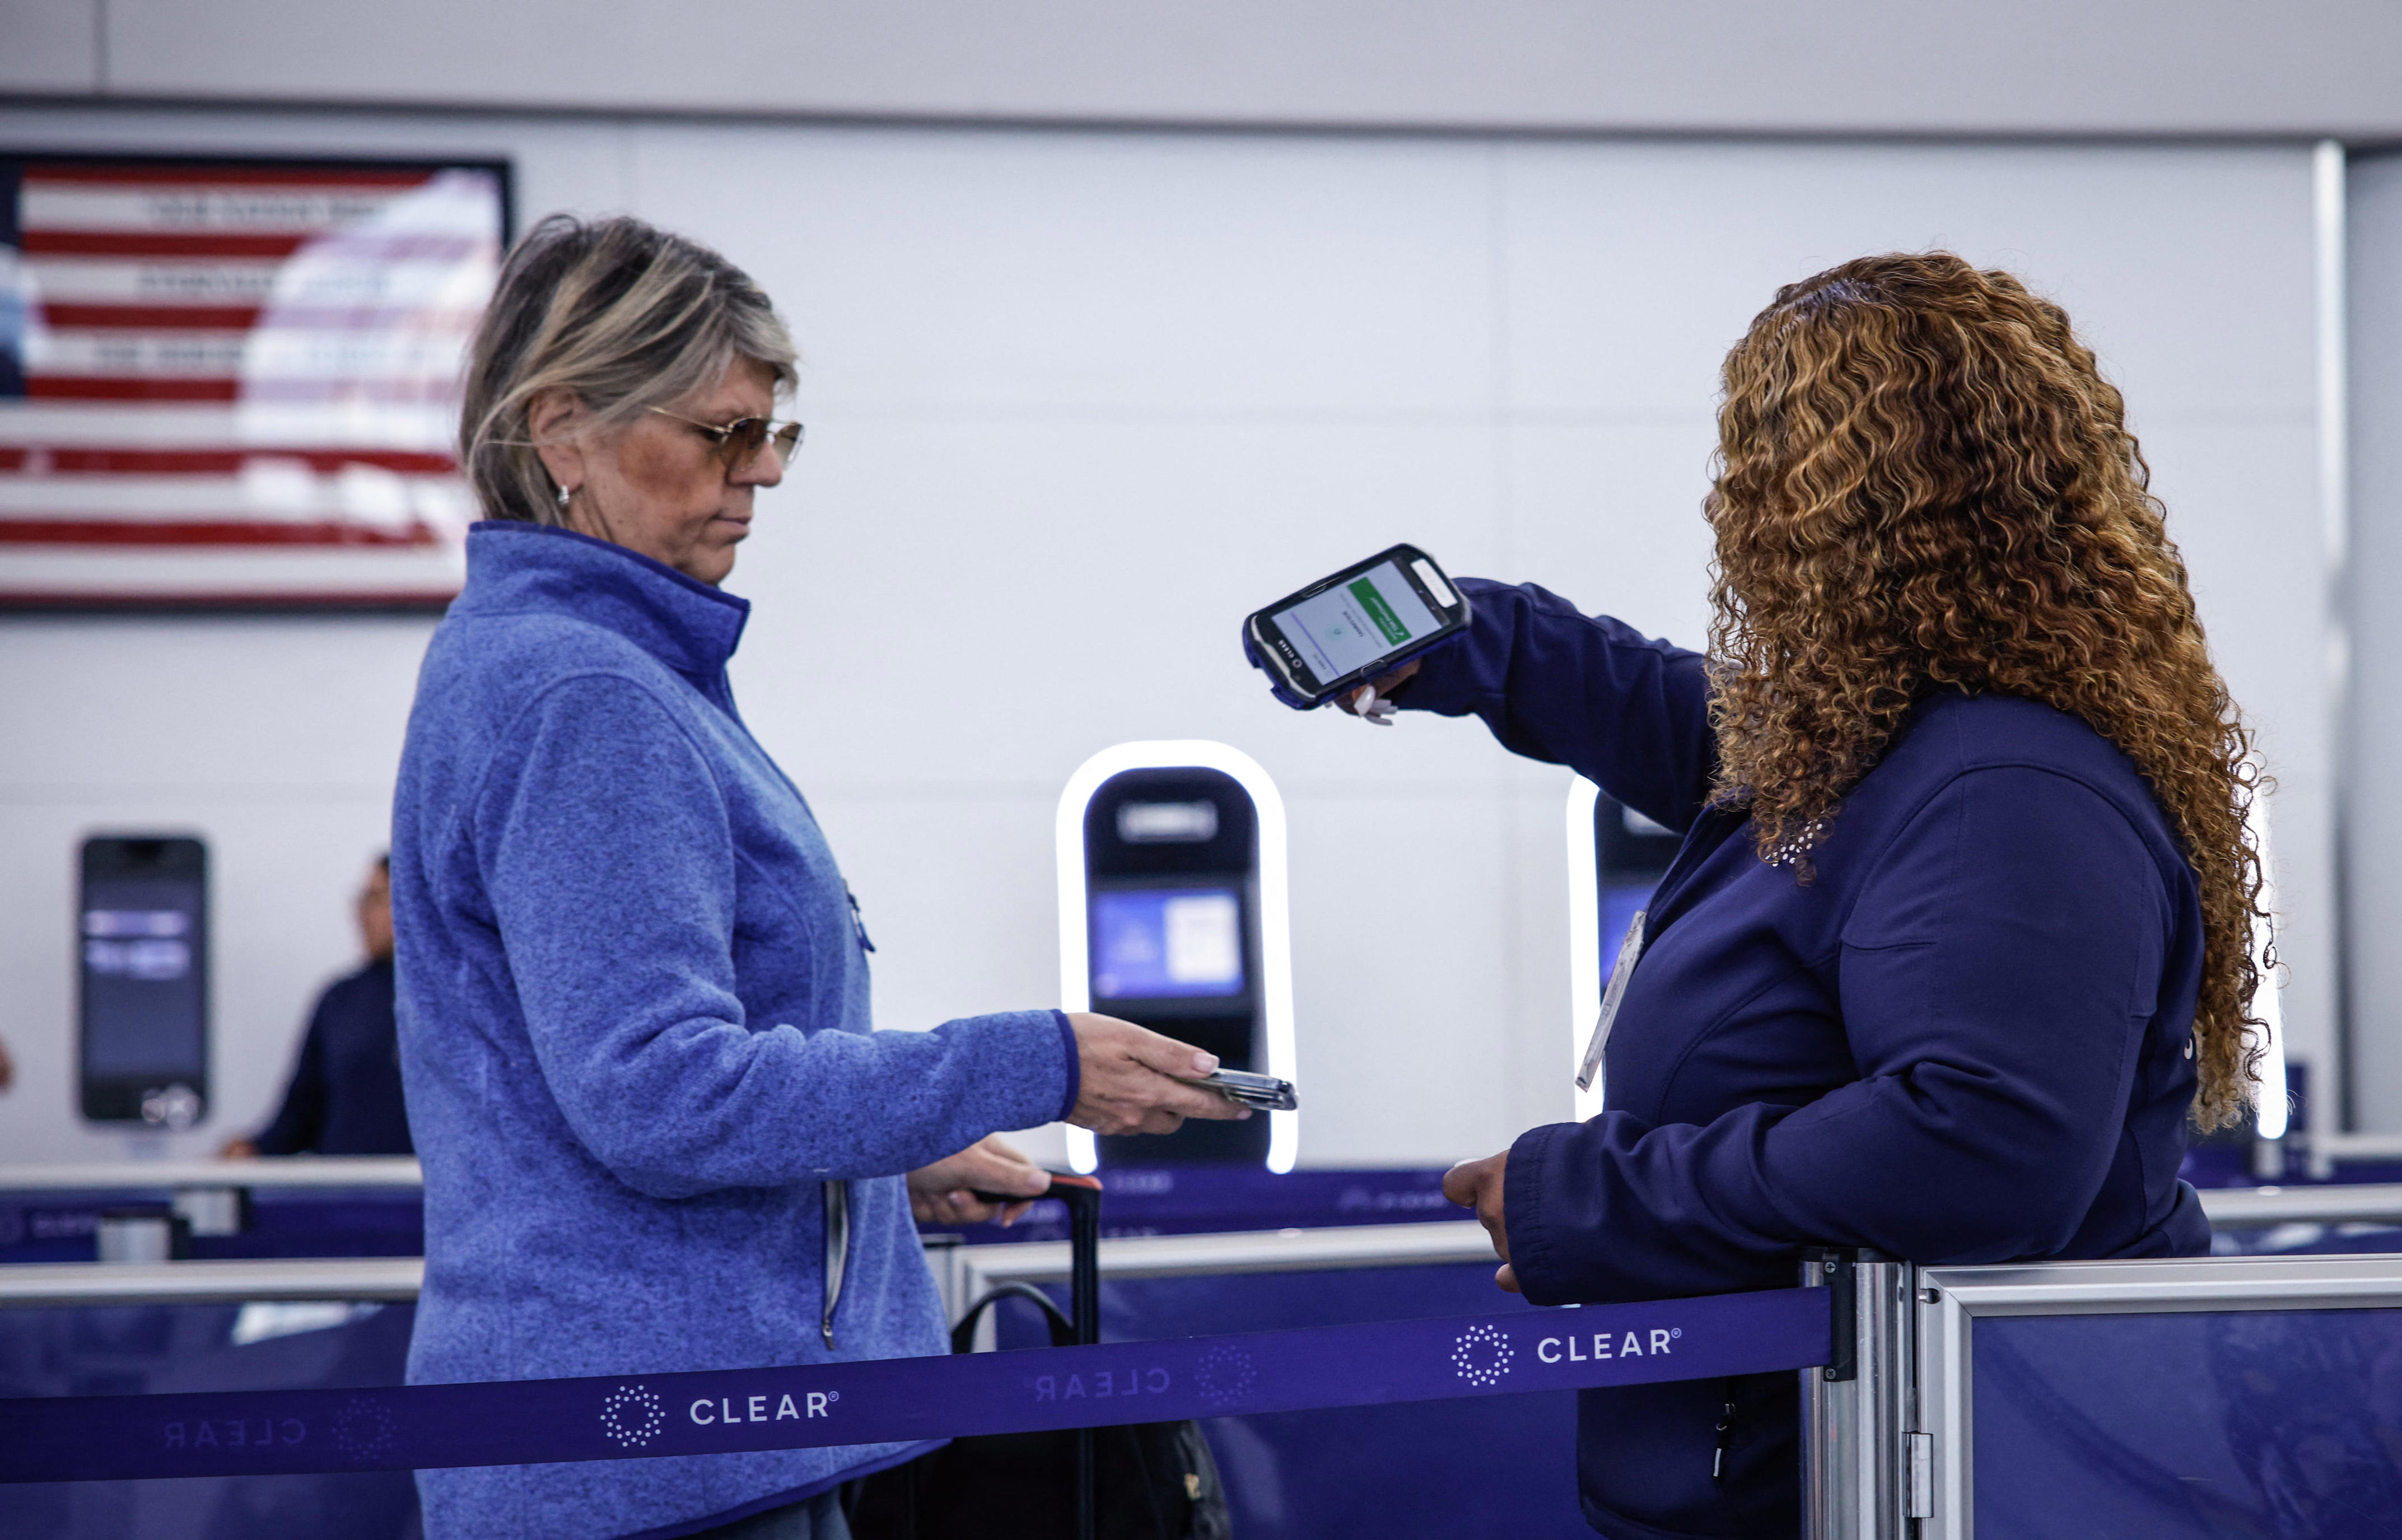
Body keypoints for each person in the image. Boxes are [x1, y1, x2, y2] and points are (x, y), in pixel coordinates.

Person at [1378, 254, 2261, 1539]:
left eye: (1752, 471)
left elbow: (1977, 1145)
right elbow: (1695, 728)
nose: (1728, 508)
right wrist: (1477, 641)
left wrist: (1585, 1200)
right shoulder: (1889, 741)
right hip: (1842, 1466)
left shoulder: (2003, 790)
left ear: (1811, 510)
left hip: (1946, 1482)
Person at [393, 215, 1241, 1540]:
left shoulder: (560, 665)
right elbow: (660, 1094)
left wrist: (875, 1161)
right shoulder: (585, 695)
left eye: (773, 431)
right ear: (562, 432)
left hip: (647, 1441)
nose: (763, 471)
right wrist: (1032, 1060)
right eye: (721, 432)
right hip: (665, 1460)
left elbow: (585, 1103)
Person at [221, 855, 411, 1158]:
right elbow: (303, 1110)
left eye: (377, 899)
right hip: (343, 1183)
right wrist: (253, 1150)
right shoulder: (342, 999)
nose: (362, 914)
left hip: (419, 1183)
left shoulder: (447, 999)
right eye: (362, 899)